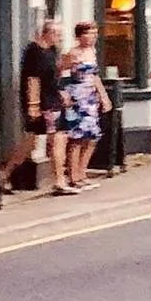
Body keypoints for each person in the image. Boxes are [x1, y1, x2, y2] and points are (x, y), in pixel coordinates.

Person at [56, 21, 112, 195]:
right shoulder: (72, 54)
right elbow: (57, 74)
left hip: (90, 98)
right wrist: (63, 93)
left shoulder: (92, 52)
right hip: (77, 98)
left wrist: (103, 96)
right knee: (77, 137)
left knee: (92, 136)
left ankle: (82, 172)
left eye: (95, 33)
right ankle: (74, 176)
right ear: (79, 36)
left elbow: (94, 76)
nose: (93, 37)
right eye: (88, 33)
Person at [19, 18, 65, 190]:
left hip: (53, 98)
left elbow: (54, 74)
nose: (59, 38)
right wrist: (33, 105)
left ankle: (4, 173)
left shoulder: (52, 50)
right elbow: (33, 79)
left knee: (31, 142)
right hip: (43, 102)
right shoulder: (35, 52)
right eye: (57, 34)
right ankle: (59, 181)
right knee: (57, 139)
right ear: (47, 33)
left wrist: (61, 91)